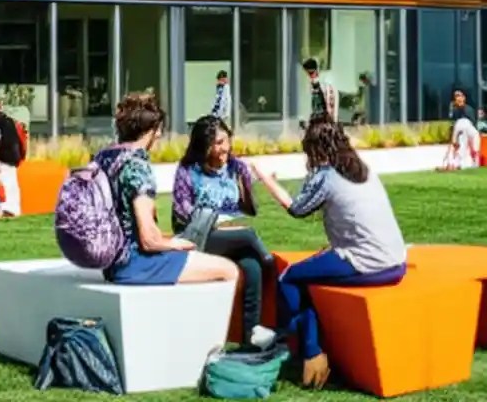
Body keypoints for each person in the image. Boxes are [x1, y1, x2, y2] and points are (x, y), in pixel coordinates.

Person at [249, 115, 407, 389]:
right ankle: (297, 341)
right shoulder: (361, 168)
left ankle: (304, 349)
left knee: (290, 277)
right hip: (396, 261)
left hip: (367, 263)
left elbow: (297, 209)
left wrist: (265, 179)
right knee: (310, 275)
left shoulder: (327, 176)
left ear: (315, 149)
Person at [102, 93, 239, 286]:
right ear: (150, 130)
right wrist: (176, 243)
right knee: (229, 270)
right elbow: (149, 240)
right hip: (136, 264)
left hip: (111, 263)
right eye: (158, 129)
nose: (159, 134)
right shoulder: (137, 168)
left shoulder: (106, 157)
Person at [172, 115, 276, 350]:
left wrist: (251, 182)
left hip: (233, 237)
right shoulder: (188, 171)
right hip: (201, 235)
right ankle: (269, 262)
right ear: (203, 146)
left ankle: (251, 335)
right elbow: (183, 214)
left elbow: (248, 207)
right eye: (216, 144)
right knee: (249, 236)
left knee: (252, 266)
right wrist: (218, 223)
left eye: (225, 141)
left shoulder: (236, 167)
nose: (223, 148)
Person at [441, 88, 479, 171]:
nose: (458, 98)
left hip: (469, 128)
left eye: (459, 96)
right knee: (460, 142)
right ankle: (455, 163)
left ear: (464, 97)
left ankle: (474, 162)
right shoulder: (454, 110)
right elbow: (453, 123)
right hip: (459, 130)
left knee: (474, 143)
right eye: (456, 96)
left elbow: (473, 122)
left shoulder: (469, 109)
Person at [301, 58, 338, 123]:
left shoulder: (325, 84)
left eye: (311, 73)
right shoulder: (308, 85)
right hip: (314, 119)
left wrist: (334, 119)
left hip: (324, 119)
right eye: (307, 74)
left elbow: (332, 102)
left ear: (317, 70)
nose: (310, 76)